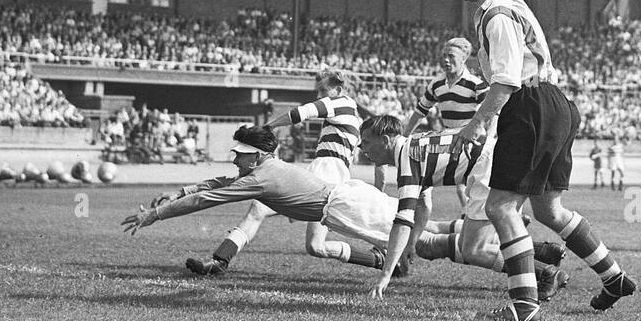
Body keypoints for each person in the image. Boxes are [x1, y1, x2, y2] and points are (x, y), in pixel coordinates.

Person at [451, 0, 636, 321]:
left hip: (530, 106)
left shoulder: (496, 14)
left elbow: (505, 82)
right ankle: (614, 277)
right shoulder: (515, 4)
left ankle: (524, 305)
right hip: (556, 104)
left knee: (500, 206)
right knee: (549, 210)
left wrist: (476, 124)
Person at [123, 126, 406, 278]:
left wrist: (155, 214)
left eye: (240, 154)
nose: (235, 159)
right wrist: (180, 192)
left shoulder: (261, 177)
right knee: (423, 235)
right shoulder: (263, 170)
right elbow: (219, 184)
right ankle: (219, 262)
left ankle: (386, 260)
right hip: (341, 204)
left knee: (427, 239)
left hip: (348, 205)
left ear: (257, 156)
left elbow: (206, 200)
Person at [183, 69, 376, 275]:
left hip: (328, 184)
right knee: (265, 213)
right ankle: (220, 261)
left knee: (316, 245)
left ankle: (380, 259)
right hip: (319, 178)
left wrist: (267, 127)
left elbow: (299, 114)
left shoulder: (341, 103)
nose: (319, 96)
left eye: (322, 91)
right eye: (317, 92)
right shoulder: (347, 112)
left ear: (338, 90)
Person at [360, 114, 567, 301]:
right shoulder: (412, 146)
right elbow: (423, 204)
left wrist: (385, 274)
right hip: (493, 161)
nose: (363, 148)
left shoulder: (408, 159)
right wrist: (412, 244)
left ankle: (545, 273)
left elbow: (403, 221)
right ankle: (543, 254)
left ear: (385, 141)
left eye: (366, 142)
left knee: (473, 248)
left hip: (489, 168)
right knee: (477, 240)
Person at [401, 36, 487, 208]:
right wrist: (404, 136)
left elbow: (492, 112)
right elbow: (420, 111)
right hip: (448, 139)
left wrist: (487, 137)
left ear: (463, 58)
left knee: (468, 185)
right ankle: (420, 216)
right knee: (426, 180)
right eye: (444, 56)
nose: (446, 60)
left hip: (470, 140)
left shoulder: (475, 84)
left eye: (451, 56)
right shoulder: (436, 84)